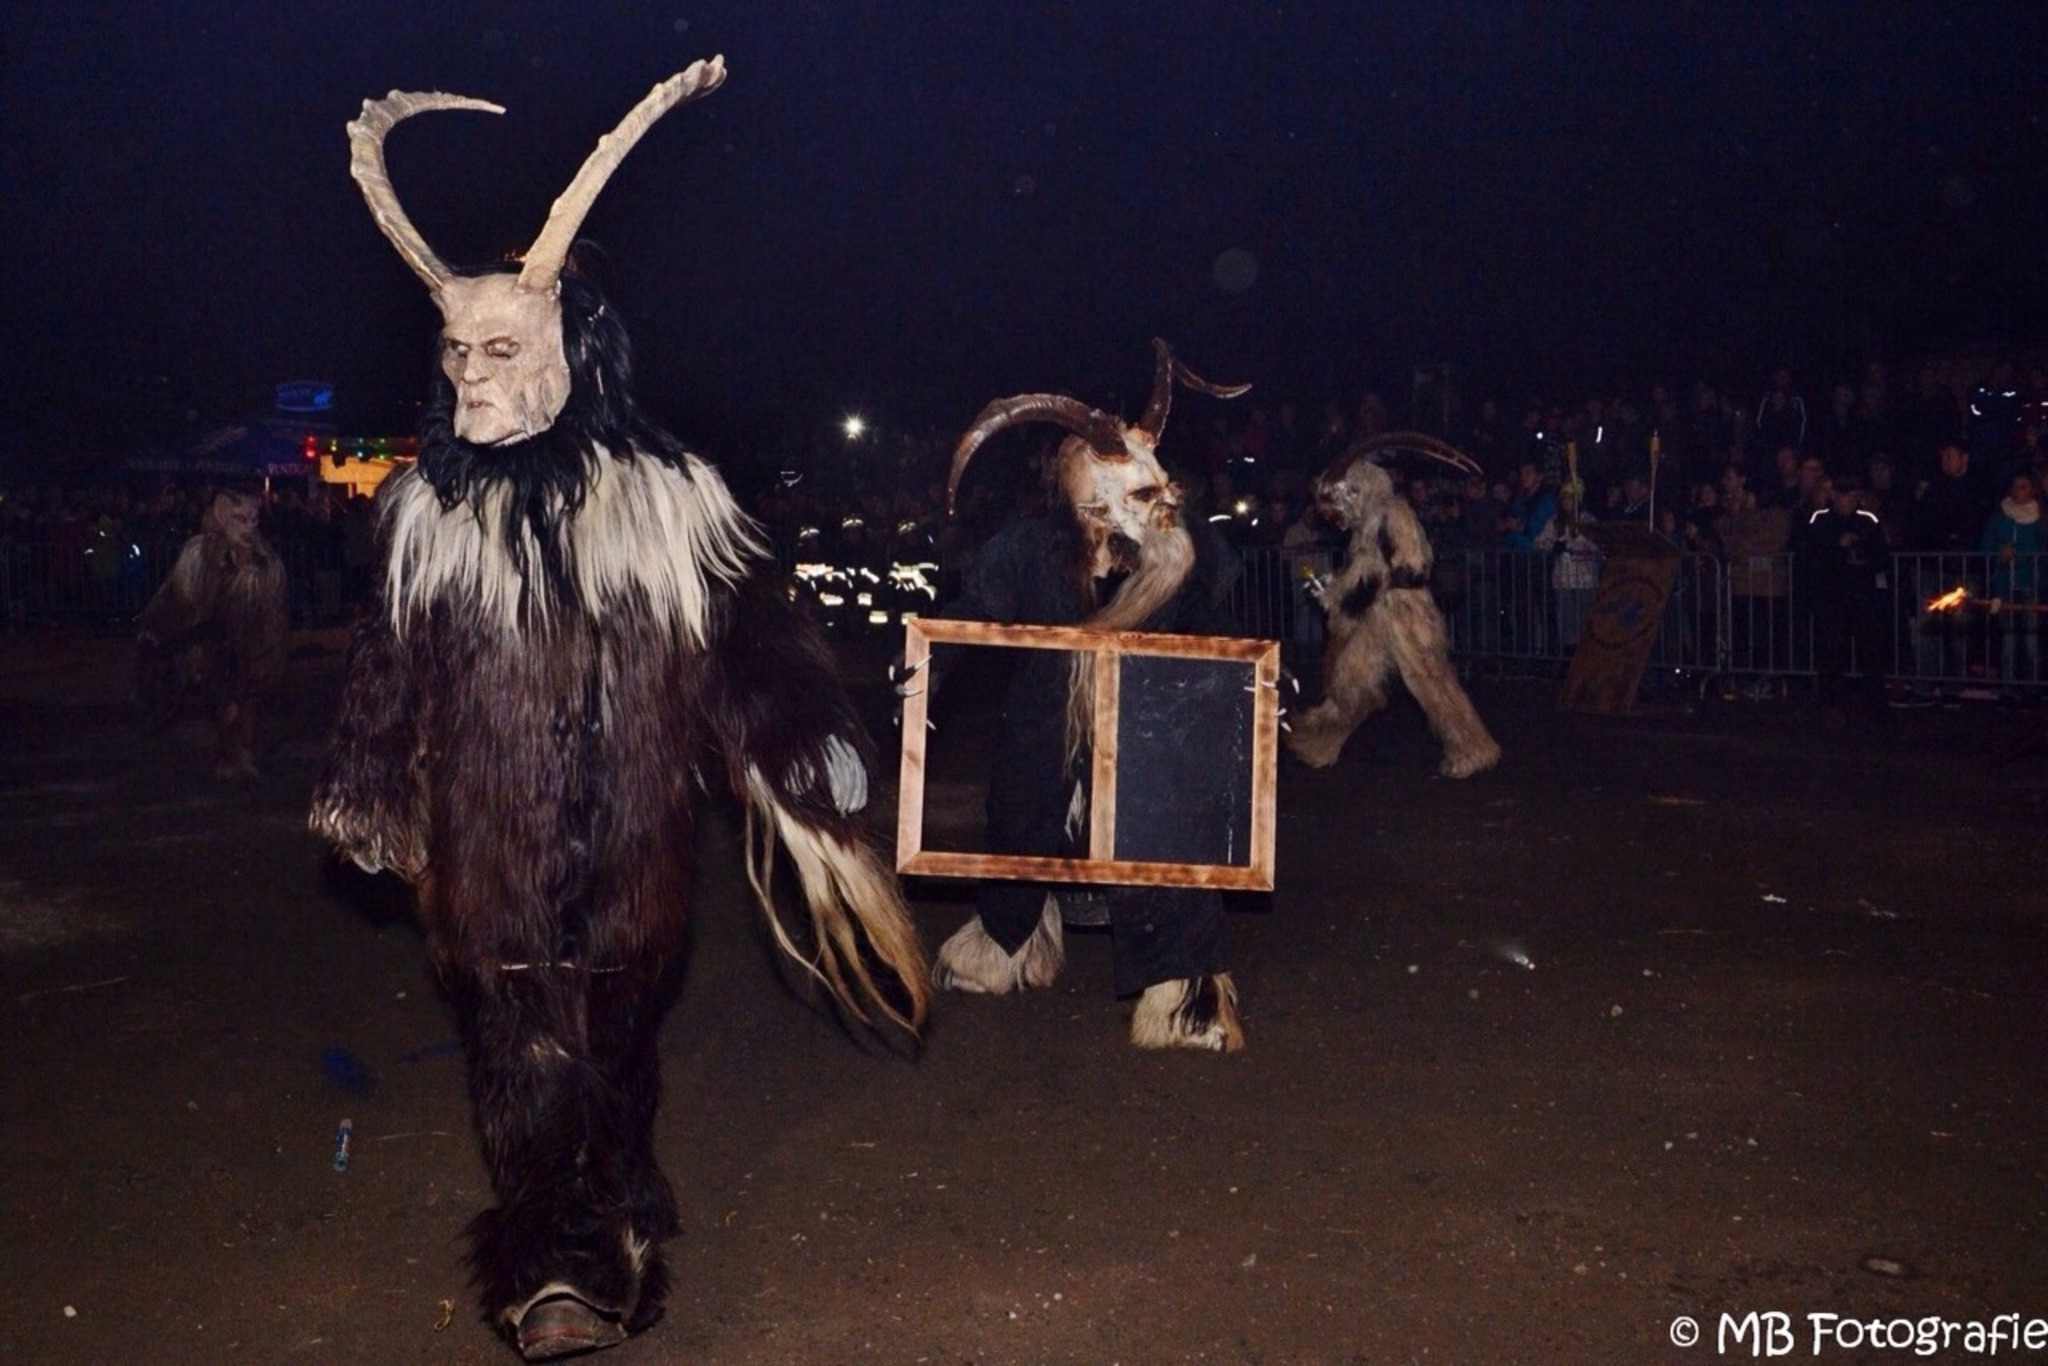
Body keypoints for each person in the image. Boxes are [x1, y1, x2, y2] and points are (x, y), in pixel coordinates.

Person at [310, 63, 928, 1358]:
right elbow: (387, 669)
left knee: (618, 1041)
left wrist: (813, 755)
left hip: (636, 859)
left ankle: (623, 1180)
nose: (473, 378)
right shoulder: (430, 523)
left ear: (571, 357)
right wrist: (367, 793)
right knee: (525, 1057)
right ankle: (560, 1268)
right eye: (456, 354)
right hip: (489, 863)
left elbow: (747, 646)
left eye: (502, 350)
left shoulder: (668, 508)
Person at [926, 340, 1252, 1052]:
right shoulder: (1035, 550)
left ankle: (1185, 998)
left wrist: (1251, 682)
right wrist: (928, 668)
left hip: (1152, 730)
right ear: (1092, 499)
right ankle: (1007, 943)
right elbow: (973, 610)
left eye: (1165, 491)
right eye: (1143, 497)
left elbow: (1218, 629)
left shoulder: (1185, 551)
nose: (1164, 509)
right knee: (1021, 817)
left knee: (1167, 842)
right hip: (1048, 723)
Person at [1980, 470, 2043, 688]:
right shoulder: (1999, 517)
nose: (2019, 491)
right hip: (2005, 583)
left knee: (2031, 639)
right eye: (2015, 486)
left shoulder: (2042, 519)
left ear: (2033, 489)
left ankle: (2032, 687)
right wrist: (1999, 550)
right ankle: (2008, 687)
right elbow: (1985, 546)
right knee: (2008, 639)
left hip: (2031, 583)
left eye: (2024, 486)